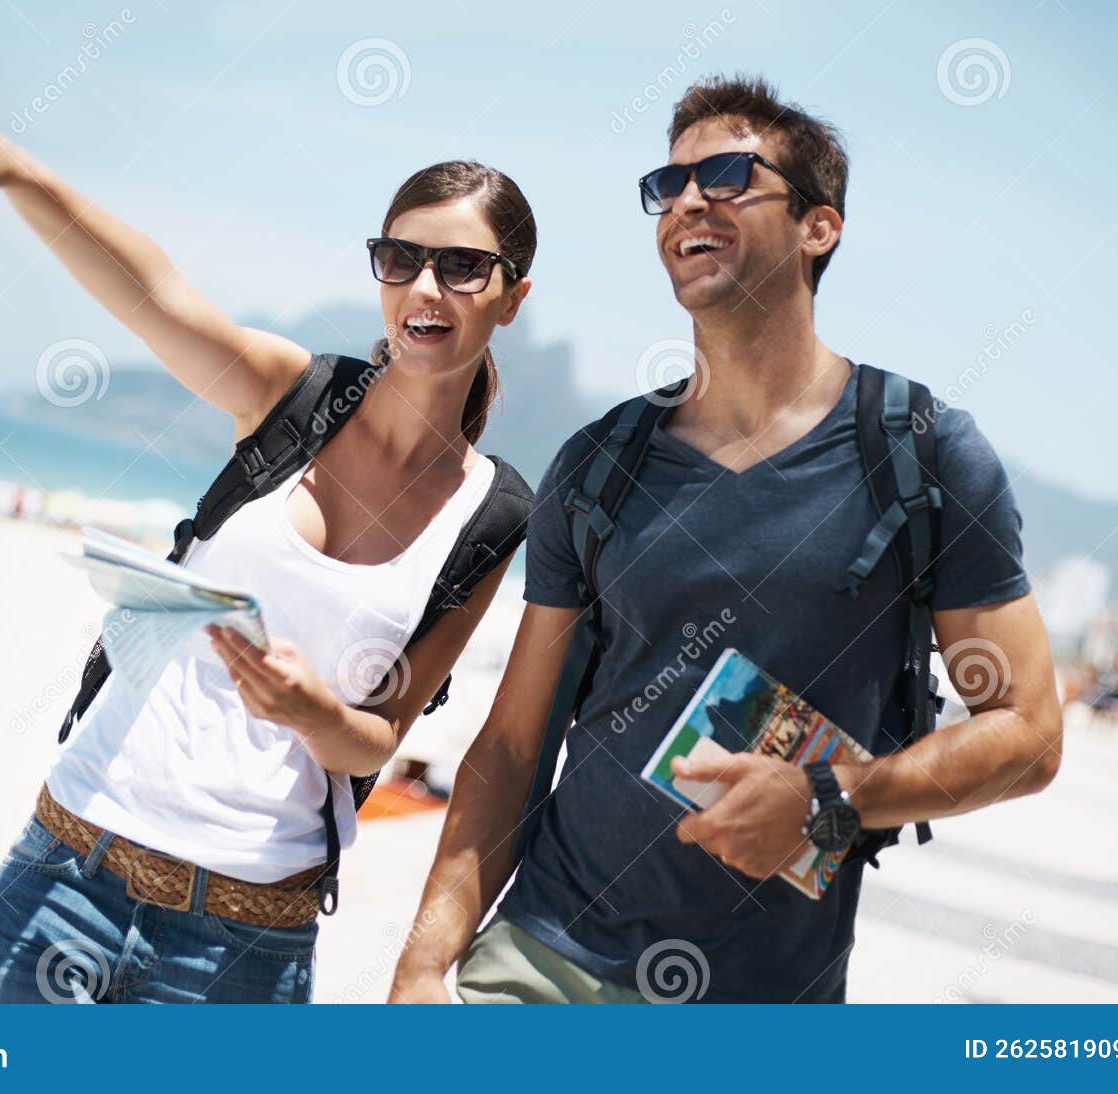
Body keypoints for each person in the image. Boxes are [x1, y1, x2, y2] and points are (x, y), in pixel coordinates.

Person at [0, 46, 537, 1003]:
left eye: (463, 267)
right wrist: (18, 171)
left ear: (514, 295)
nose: (425, 287)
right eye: (402, 258)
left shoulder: (495, 513)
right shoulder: (293, 396)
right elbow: (152, 292)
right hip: (65, 876)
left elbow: (375, 740)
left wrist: (311, 713)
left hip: (241, 949)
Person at [389, 74, 1063, 1005]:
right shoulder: (600, 466)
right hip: (543, 963)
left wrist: (833, 802)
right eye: (668, 186)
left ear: (819, 226)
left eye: (730, 175)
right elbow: (512, 747)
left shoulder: (921, 454)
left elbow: (1027, 733)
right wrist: (423, 964)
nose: (688, 201)